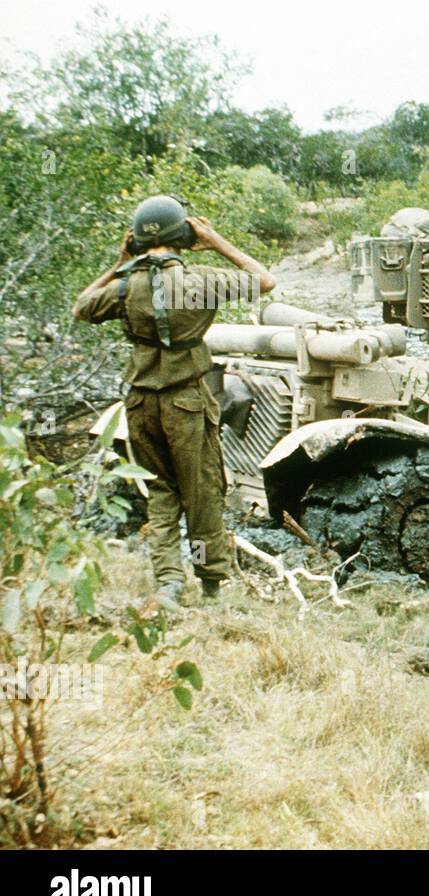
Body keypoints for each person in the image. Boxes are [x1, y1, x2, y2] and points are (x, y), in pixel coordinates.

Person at [72, 195, 276, 605]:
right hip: (187, 402)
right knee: (201, 492)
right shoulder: (200, 282)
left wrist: (120, 262)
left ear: (138, 240)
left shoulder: (125, 286)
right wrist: (216, 241)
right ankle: (211, 583)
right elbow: (264, 279)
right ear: (183, 234)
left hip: (141, 403)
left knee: (161, 492)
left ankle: (168, 583)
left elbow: (81, 308)